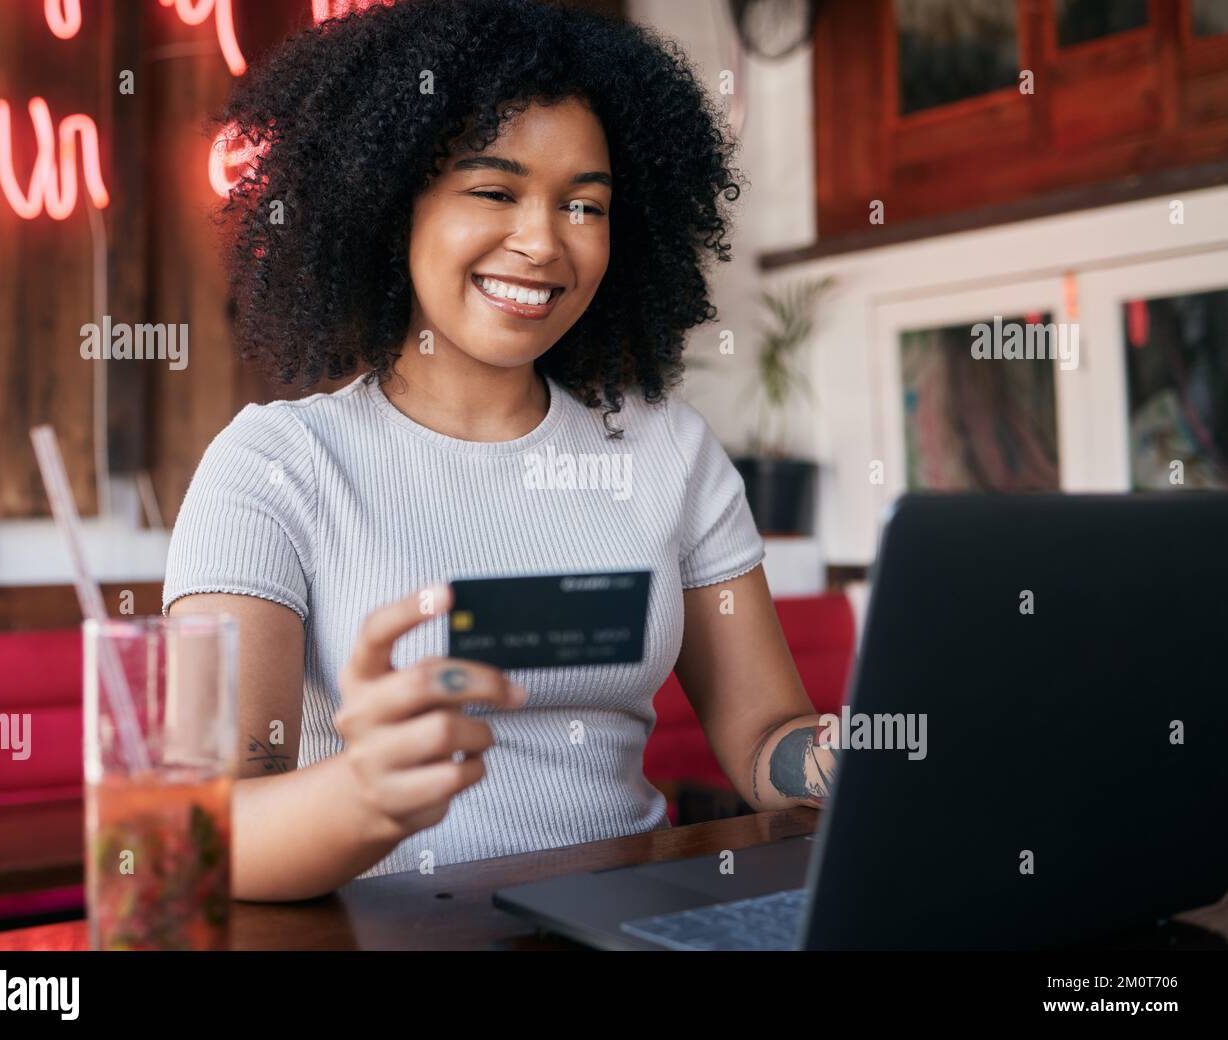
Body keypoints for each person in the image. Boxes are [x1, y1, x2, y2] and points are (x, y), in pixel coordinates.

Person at [164, 0, 835, 901]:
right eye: (493, 190)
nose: (543, 242)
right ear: (391, 201)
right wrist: (366, 795)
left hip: (627, 924)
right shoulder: (274, 466)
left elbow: (765, 743)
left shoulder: (670, 450)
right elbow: (207, 832)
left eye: (584, 204)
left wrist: (836, 759)